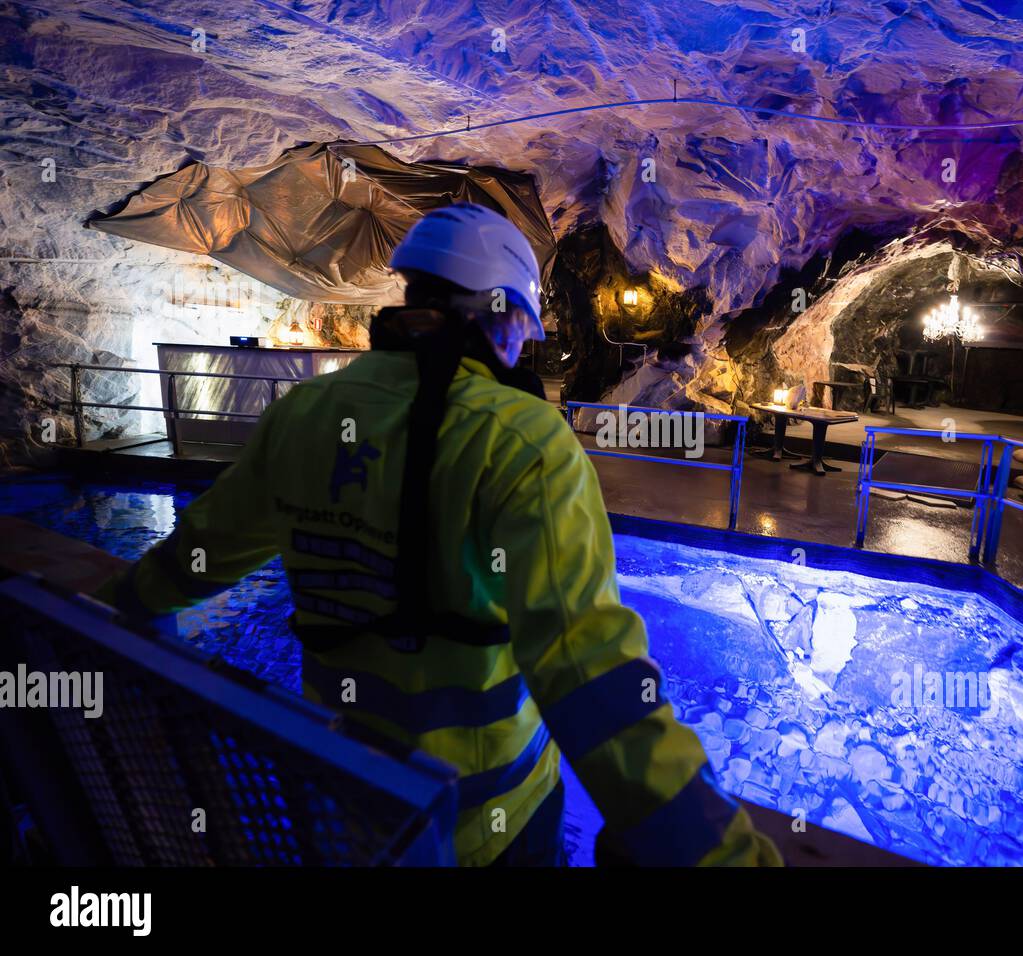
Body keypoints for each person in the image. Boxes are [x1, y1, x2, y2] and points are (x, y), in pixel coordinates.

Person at [95, 203, 780, 867]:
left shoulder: (305, 412)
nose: (523, 348)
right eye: (522, 329)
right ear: (502, 316)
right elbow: (587, 670)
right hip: (486, 817)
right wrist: (715, 851)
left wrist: (115, 604)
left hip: (349, 800)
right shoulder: (520, 439)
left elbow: (199, 555)